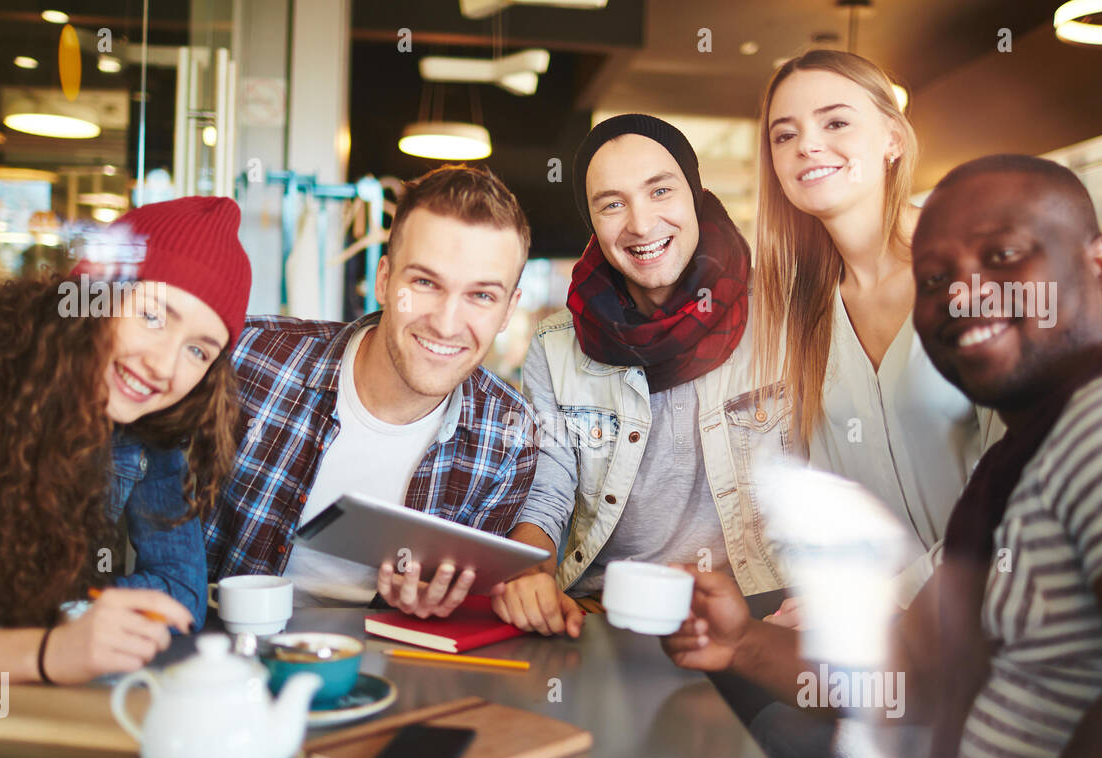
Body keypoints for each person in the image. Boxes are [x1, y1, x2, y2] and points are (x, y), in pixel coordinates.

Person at [660, 155, 1102, 758]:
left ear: (1100, 263)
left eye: (1003, 256)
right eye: (935, 279)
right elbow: (910, 677)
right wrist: (742, 644)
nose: (964, 294)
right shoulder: (1025, 466)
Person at [0, 196, 249, 684]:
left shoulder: (149, 425)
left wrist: (78, 620)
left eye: (197, 350)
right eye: (153, 316)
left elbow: (179, 585)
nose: (164, 367)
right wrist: (47, 649)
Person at [494, 114, 787, 637]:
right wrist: (530, 573)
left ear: (695, 195)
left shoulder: (783, 319)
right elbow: (549, 485)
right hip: (605, 612)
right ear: (592, 222)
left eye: (660, 191)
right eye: (612, 203)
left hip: (755, 615)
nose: (641, 223)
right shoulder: (556, 343)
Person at [204, 164, 537, 617]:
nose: (446, 323)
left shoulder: (509, 436)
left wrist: (428, 609)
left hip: (384, 675)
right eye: (424, 282)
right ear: (384, 280)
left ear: (507, 312)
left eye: (481, 296)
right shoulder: (248, 357)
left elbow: (459, 617)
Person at [752, 50, 1001, 623]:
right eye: (784, 135)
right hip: (889, 649)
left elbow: (1024, 491)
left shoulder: (975, 279)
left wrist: (887, 597)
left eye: (835, 122)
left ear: (893, 138)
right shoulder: (804, 314)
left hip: (1006, 631)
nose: (807, 146)